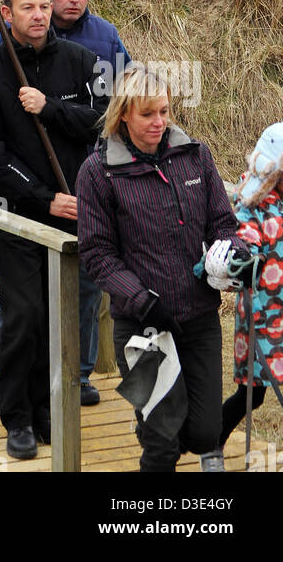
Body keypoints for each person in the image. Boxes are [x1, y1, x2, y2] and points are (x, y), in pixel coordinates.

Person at [77, 62, 244, 473]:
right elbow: (97, 254)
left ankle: (157, 421)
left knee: (206, 434)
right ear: (124, 115)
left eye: (164, 111)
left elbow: (223, 223)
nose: (159, 122)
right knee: (163, 445)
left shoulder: (196, 155)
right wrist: (142, 301)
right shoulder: (97, 173)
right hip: (143, 327)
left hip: (200, 317)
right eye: (148, 113)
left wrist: (229, 255)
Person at [0, 0, 105, 459]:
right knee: (23, 316)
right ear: (7, 14)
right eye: (28, 7)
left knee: (59, 318)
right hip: (20, 216)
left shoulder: (82, 61)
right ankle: (18, 418)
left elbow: (103, 123)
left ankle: (49, 410)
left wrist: (48, 109)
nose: (41, 14)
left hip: (75, 214)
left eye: (45, 6)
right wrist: (43, 197)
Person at [216, 124, 283, 457]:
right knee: (252, 395)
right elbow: (242, 241)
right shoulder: (253, 204)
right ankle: (212, 443)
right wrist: (244, 257)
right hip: (262, 312)